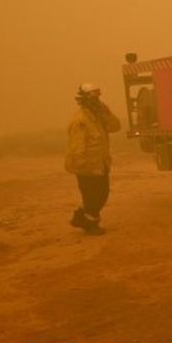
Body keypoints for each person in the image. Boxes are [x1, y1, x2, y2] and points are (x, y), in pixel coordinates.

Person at [65, 82, 121, 235]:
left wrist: (106, 113)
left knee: (102, 194)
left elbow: (116, 127)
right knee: (94, 197)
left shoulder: (98, 116)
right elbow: (77, 147)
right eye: (93, 97)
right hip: (86, 167)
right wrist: (84, 168)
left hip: (100, 164)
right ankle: (90, 225)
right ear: (84, 99)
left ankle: (80, 218)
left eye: (98, 97)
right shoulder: (81, 120)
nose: (96, 100)